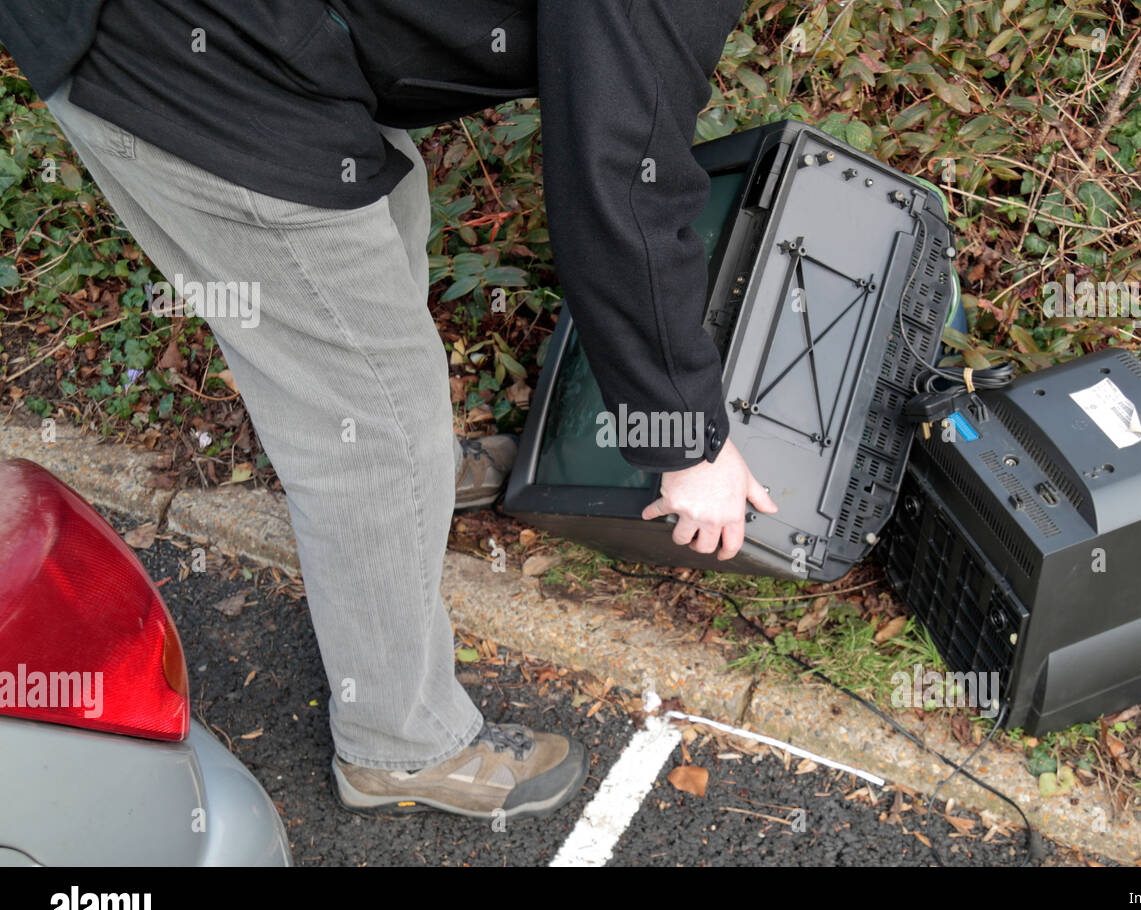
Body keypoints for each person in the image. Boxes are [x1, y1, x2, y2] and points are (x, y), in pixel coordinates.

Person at [0, 0, 777, 821]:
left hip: (280, 50)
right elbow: (619, 179)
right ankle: (400, 748)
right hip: (189, 58)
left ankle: (423, 475)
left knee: (385, 219)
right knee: (369, 433)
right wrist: (689, 443)